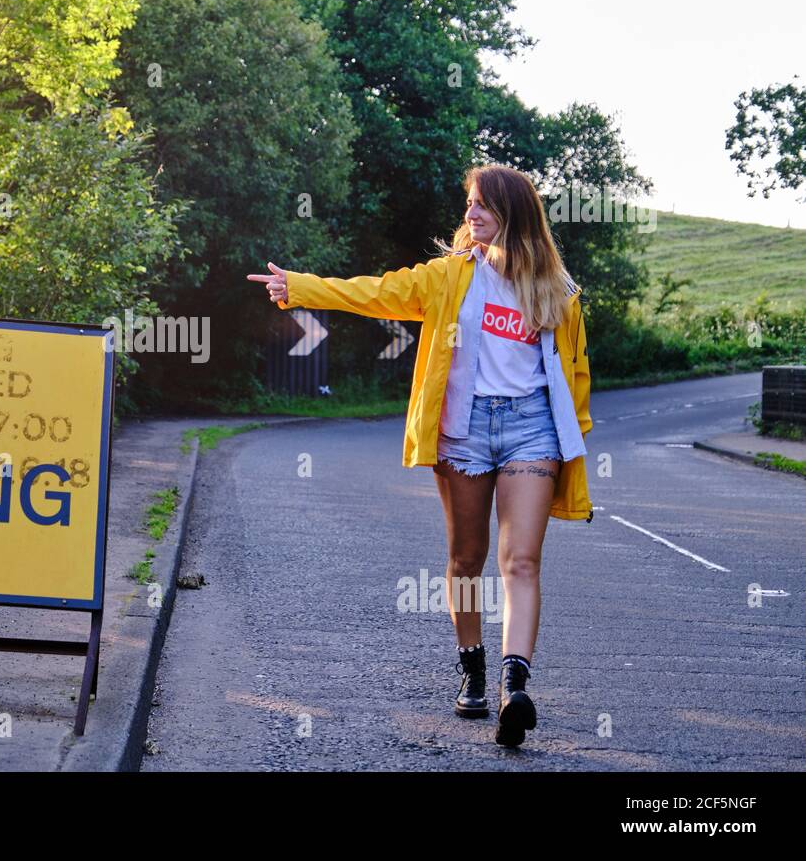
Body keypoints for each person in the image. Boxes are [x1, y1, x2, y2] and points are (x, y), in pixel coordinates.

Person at [247, 164, 592, 748]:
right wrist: (300, 287)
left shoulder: (558, 294)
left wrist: (570, 442)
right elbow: (378, 292)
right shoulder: (448, 277)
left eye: (482, 205)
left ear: (513, 212)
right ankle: (473, 669)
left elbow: (575, 375)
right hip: (465, 430)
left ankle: (516, 686)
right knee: (465, 560)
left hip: (532, 431)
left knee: (521, 561)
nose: (470, 215)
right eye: (469, 205)